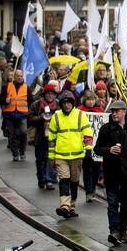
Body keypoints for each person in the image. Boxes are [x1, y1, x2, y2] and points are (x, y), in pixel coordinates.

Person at [94, 99, 127, 246]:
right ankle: (114, 231)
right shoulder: (106, 129)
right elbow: (97, 149)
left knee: (126, 203)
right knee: (112, 202)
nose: (114, 114)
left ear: (124, 111)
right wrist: (109, 150)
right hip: (111, 172)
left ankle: (123, 231)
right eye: (112, 111)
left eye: (117, 111)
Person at [48, 91, 92, 219]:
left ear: (73, 103)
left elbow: (87, 133)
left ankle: (71, 206)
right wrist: (51, 157)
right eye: (64, 103)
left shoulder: (80, 115)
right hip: (61, 156)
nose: (67, 105)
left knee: (74, 182)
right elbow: (51, 139)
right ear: (61, 104)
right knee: (64, 180)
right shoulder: (56, 117)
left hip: (77, 156)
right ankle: (65, 206)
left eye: (69, 103)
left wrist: (88, 150)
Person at [29, 83, 61, 189]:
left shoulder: (58, 105)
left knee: (50, 158)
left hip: (54, 137)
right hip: (40, 136)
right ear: (44, 94)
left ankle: (49, 179)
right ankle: (41, 178)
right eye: (48, 94)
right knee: (40, 159)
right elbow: (29, 119)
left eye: (52, 94)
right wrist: (41, 117)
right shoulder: (36, 104)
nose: (50, 96)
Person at [2, 68, 29, 162]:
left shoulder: (26, 87)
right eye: (17, 76)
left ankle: (22, 151)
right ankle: (15, 153)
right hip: (10, 115)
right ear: (14, 76)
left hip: (22, 115)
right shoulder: (7, 86)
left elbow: (30, 100)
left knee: (23, 133)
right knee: (12, 135)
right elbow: (0, 99)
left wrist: (29, 112)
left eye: (21, 76)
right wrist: (4, 100)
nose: (19, 77)